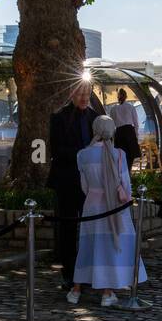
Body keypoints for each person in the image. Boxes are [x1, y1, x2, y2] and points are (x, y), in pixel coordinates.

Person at [68, 115, 145, 306]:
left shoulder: (82, 155)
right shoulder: (119, 154)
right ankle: (107, 291)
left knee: (88, 246)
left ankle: (76, 290)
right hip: (114, 207)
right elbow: (125, 185)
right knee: (111, 247)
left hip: (92, 205)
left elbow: (84, 186)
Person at [49, 83, 101, 289]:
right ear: (72, 93)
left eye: (87, 94)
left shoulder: (94, 117)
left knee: (90, 228)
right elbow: (57, 150)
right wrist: (82, 153)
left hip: (90, 183)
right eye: (80, 94)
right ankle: (69, 273)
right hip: (67, 180)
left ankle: (89, 272)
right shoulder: (59, 117)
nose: (84, 98)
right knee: (68, 229)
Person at [108, 88, 142, 168]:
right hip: (129, 132)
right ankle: (128, 172)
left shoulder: (113, 109)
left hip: (119, 133)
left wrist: (113, 138)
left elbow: (112, 124)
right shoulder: (130, 107)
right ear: (126, 96)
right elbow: (136, 123)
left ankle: (122, 174)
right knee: (130, 156)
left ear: (118, 97)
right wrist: (136, 136)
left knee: (120, 156)